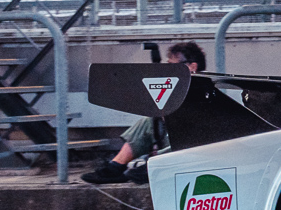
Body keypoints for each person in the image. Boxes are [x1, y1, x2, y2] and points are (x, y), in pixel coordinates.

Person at [83, 41, 206, 184]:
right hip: (169, 140)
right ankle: (116, 166)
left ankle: (150, 166)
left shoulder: (203, 89)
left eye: (173, 66)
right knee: (147, 122)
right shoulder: (174, 86)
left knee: (187, 143)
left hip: (189, 149)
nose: (168, 69)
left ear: (192, 67)